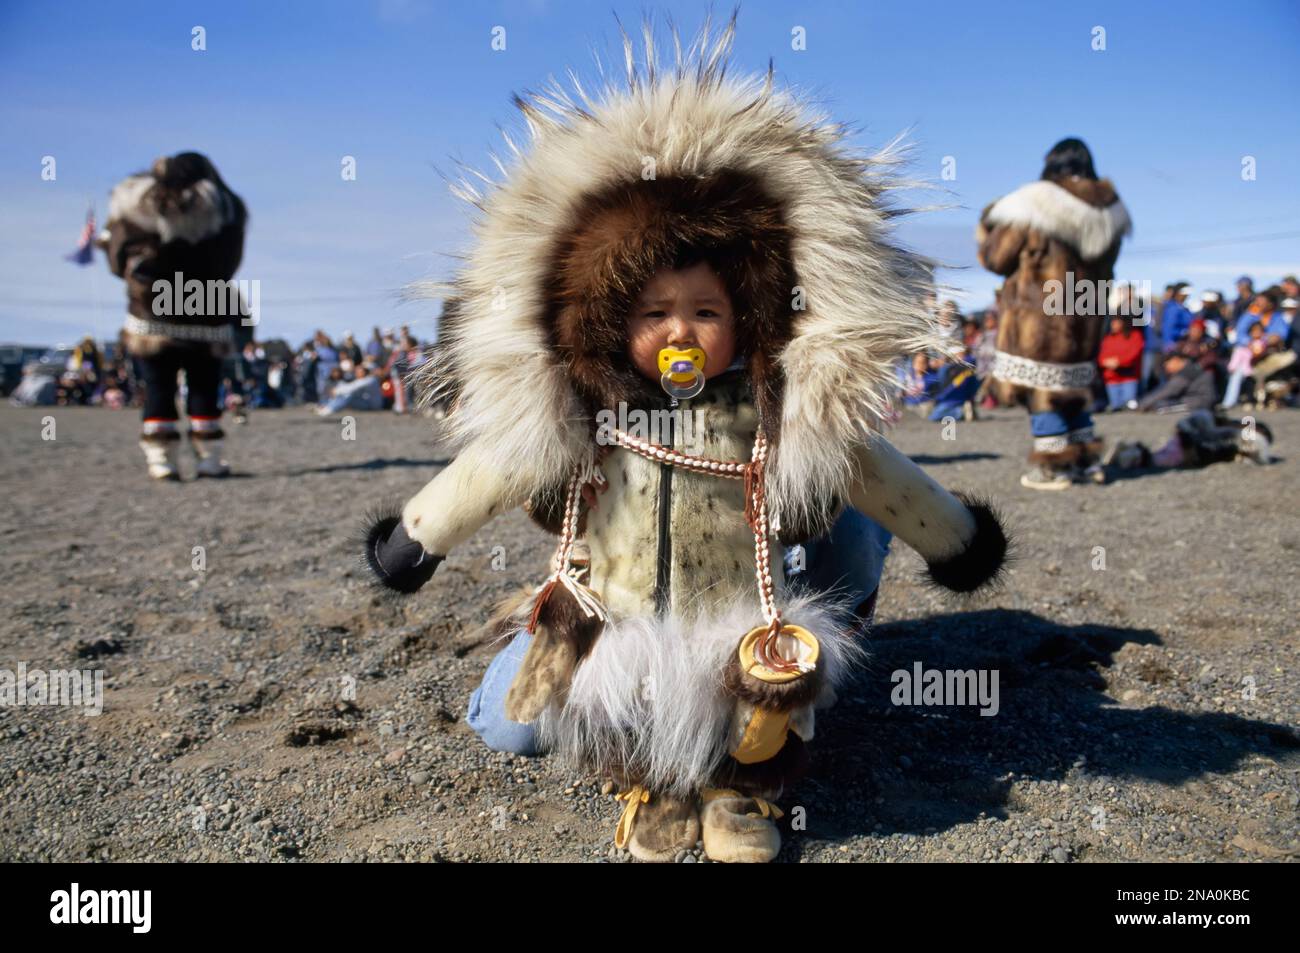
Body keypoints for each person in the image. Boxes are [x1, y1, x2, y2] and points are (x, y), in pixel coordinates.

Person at [360, 19, 1008, 864]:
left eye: (706, 313)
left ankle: (739, 796)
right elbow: (492, 467)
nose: (681, 331)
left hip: (739, 608)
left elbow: (869, 470)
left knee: (755, 711)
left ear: (748, 320)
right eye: (653, 314)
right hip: (617, 606)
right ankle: (652, 785)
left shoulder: (773, 413)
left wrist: (953, 541)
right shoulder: (584, 410)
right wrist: (416, 541)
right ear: (605, 318)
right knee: (529, 720)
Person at [977, 137, 1132, 490]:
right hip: (1085, 318)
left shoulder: (1034, 203)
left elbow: (996, 259)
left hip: (1041, 322)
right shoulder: (1111, 210)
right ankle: (1086, 463)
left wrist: (988, 227)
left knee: (1042, 391)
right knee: (1075, 390)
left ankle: (1053, 467)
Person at [99, 151, 247, 479]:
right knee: (204, 389)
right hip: (206, 312)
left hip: (152, 315)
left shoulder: (136, 204)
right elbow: (230, 264)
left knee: (158, 388)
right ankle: (209, 458)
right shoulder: (226, 209)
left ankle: (160, 459)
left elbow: (116, 261)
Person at [1106, 410, 1272, 471]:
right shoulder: (1211, 423)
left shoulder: (1227, 435)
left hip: (1183, 452)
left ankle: (1126, 456)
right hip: (1185, 449)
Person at [1138, 352, 1216, 413]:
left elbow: (1167, 391)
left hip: (1198, 402)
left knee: (1161, 406)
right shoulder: (1192, 367)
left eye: (1167, 363)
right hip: (1201, 401)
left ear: (1176, 360)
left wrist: (1143, 404)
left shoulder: (1187, 372)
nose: (1166, 367)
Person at [1098, 315, 1143, 410]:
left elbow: (1134, 353)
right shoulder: (1108, 339)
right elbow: (1101, 355)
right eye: (1112, 322)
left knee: (1129, 404)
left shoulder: (1134, 335)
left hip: (1128, 377)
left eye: (1116, 322)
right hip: (1111, 378)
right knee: (1115, 406)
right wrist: (1106, 362)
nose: (1113, 325)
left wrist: (1119, 362)